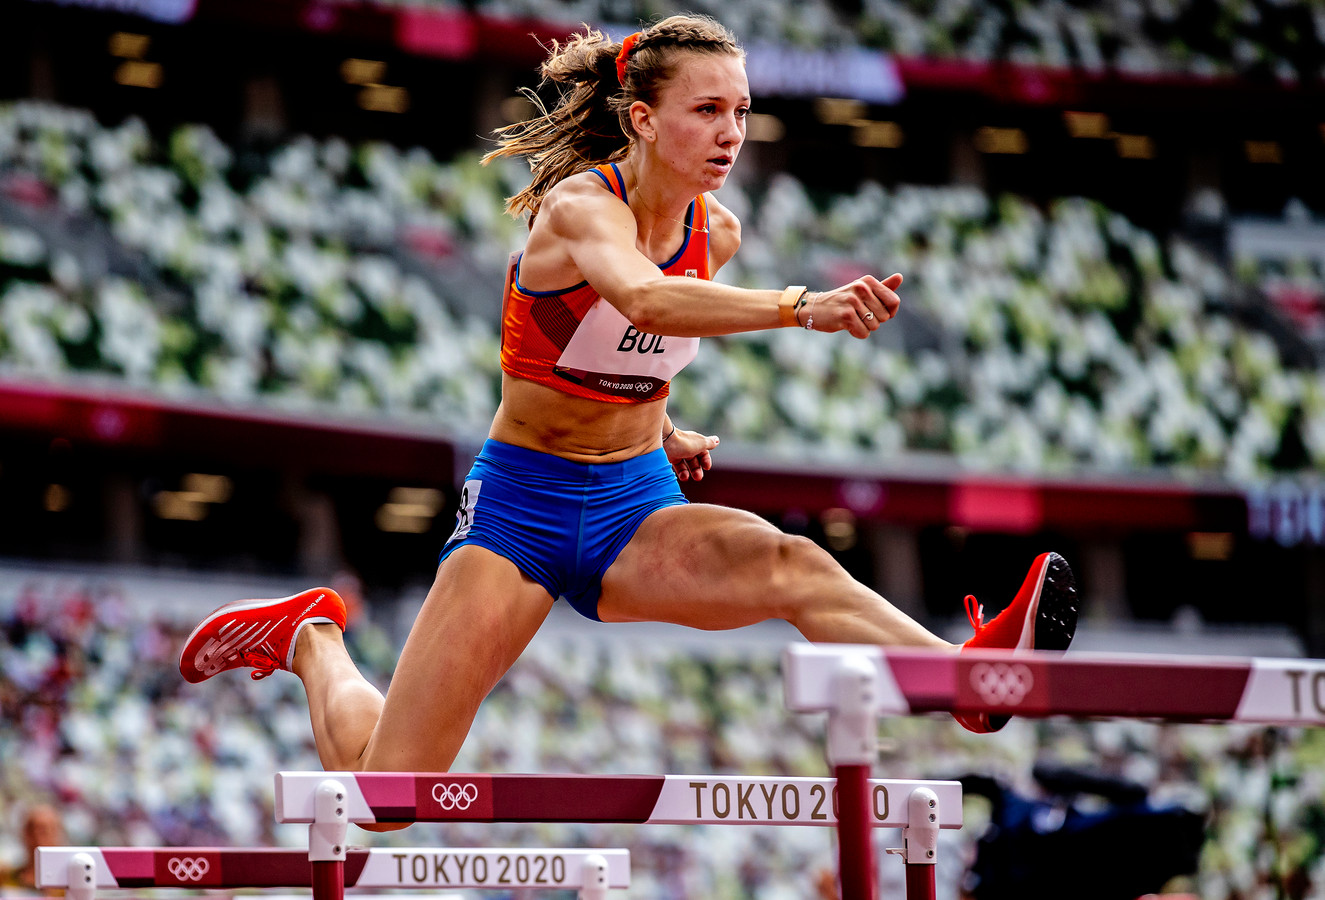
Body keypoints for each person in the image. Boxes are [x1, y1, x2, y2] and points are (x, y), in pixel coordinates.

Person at [179, 15, 1078, 782]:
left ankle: (966, 683)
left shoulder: (714, 230)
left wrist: (669, 427)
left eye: (741, 113)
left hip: (633, 503)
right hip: (522, 506)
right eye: (707, 111)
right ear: (643, 119)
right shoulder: (579, 209)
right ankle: (312, 642)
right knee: (390, 788)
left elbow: (634, 349)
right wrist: (803, 306)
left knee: (791, 565)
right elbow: (642, 299)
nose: (731, 134)